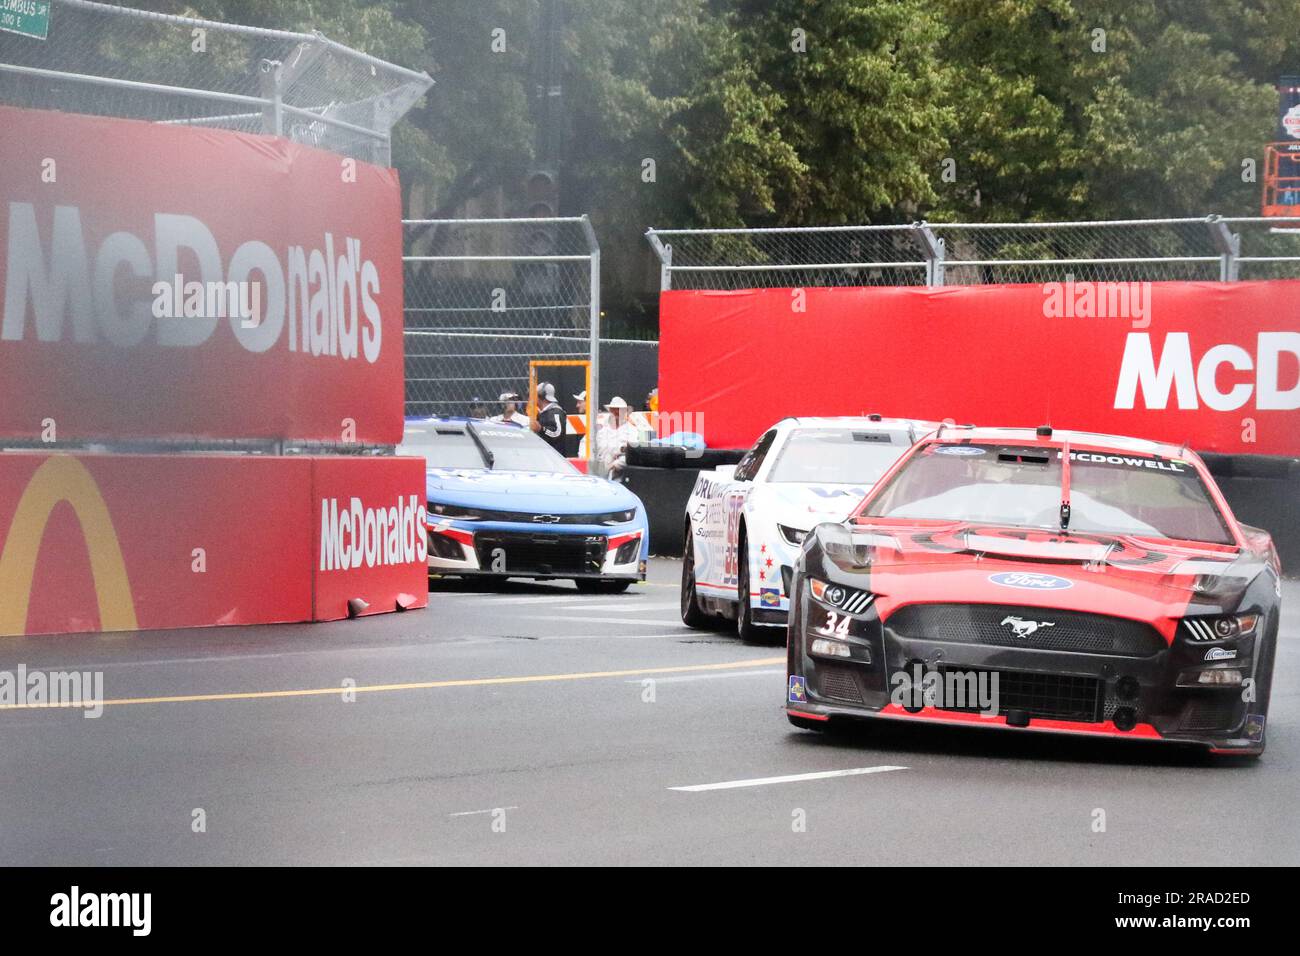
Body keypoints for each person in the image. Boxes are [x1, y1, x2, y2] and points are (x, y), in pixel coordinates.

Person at [595, 396, 639, 478]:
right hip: (598, 473)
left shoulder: (632, 430)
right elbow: (590, 448)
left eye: (619, 409)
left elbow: (632, 454)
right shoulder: (601, 429)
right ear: (610, 410)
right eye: (614, 409)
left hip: (620, 476)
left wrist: (615, 465)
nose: (616, 412)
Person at [534, 381, 567, 453]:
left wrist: (541, 429)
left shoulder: (556, 412)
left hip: (554, 457)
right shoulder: (542, 413)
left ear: (541, 395)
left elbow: (557, 433)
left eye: (535, 395)